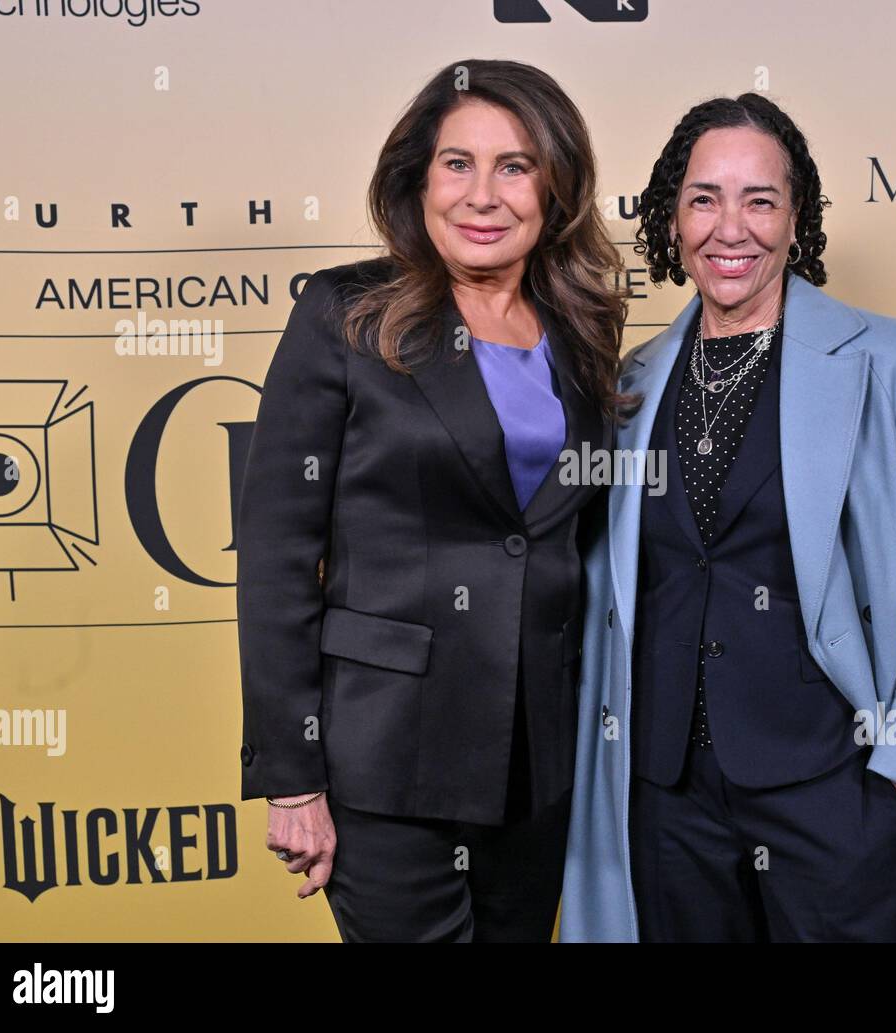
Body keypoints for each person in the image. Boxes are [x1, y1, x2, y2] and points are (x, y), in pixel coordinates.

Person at [559, 93, 896, 942]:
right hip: (667, 797)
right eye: (704, 198)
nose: (732, 227)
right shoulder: (630, 384)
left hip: (834, 789)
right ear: (671, 221)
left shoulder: (889, 363)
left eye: (760, 200)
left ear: (797, 221)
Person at [235, 58, 628, 942]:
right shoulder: (347, 313)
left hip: (537, 763)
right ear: (418, 180)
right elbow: (276, 556)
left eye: (515, 166)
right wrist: (292, 776)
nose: (482, 194)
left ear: (554, 186)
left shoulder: (580, 330)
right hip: (386, 761)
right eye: (458, 164)